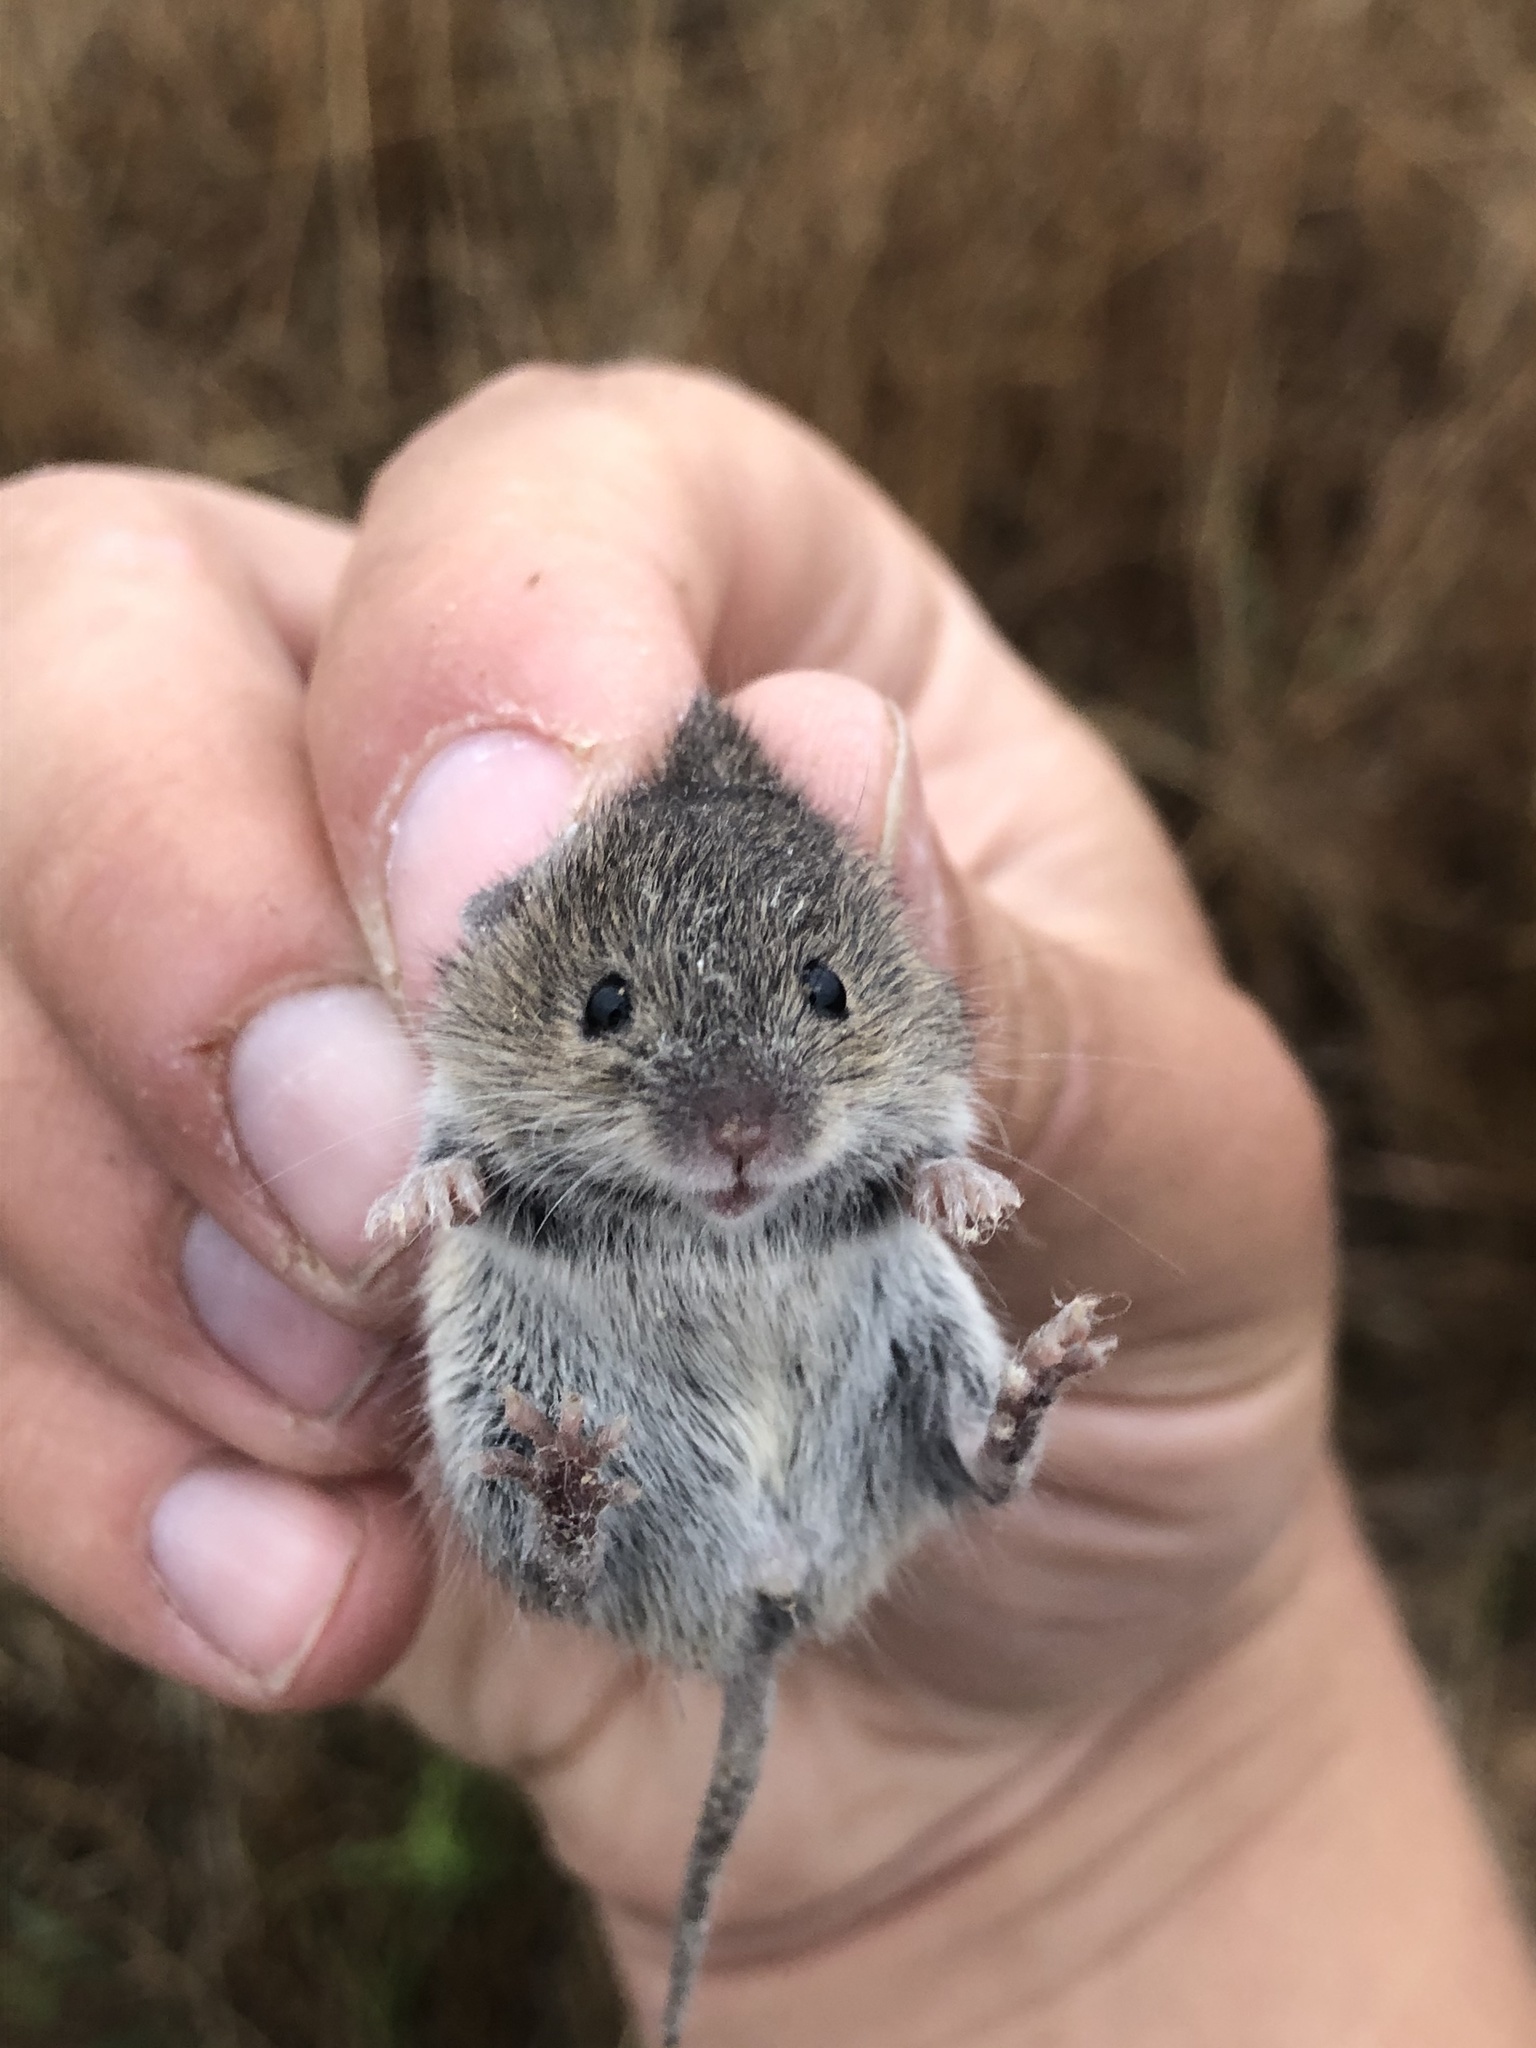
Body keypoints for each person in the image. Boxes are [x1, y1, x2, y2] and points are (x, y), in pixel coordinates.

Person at [1, 364, 1531, 2045]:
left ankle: (987, 1431)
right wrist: (447, 1162)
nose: (734, 1126)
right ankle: (569, 1515)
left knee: (918, 1271)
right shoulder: (490, 1047)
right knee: (490, 1347)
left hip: (868, 1497)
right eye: (610, 1019)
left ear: (871, 939)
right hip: (642, 1496)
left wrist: (936, 1151)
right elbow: (457, 1116)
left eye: (814, 1003)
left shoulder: (891, 1016)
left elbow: (928, 1080)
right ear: (508, 966)